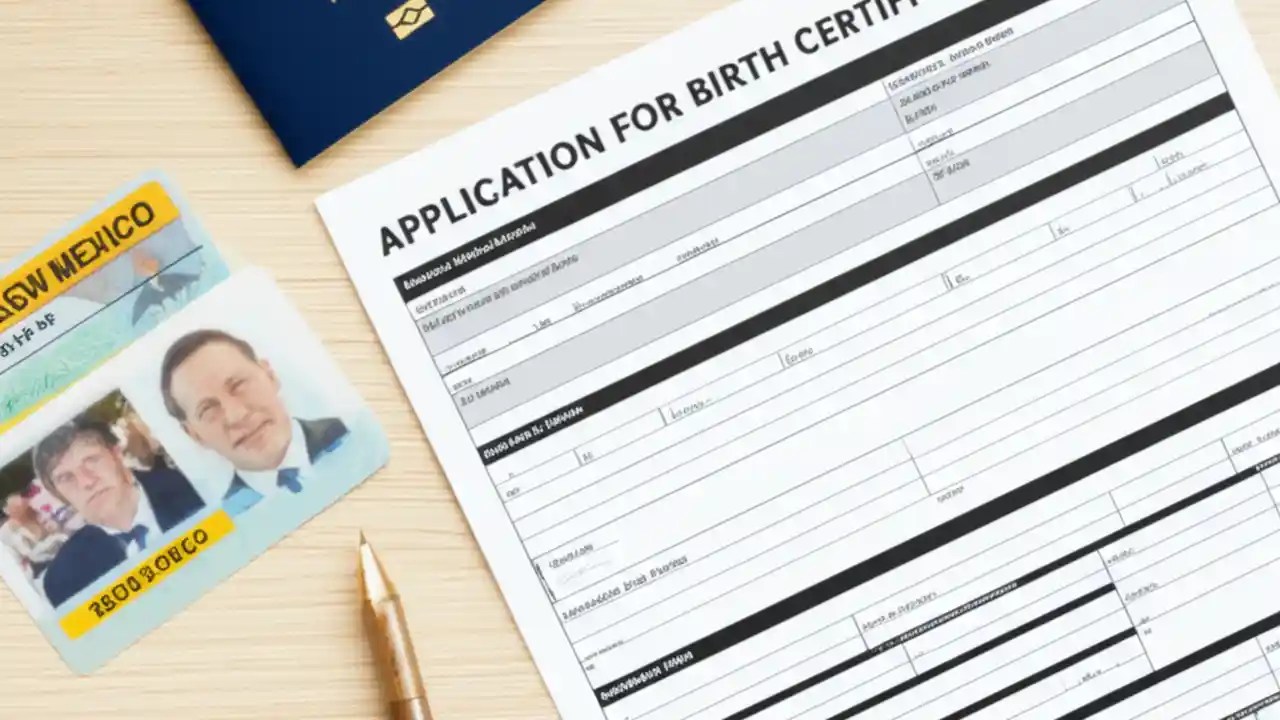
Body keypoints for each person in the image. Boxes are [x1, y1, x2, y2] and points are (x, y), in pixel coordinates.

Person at [160, 329, 351, 517]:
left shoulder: (354, 432)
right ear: (194, 435)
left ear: (270, 375)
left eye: (238, 385)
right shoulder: (229, 523)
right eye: (208, 410)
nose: (236, 415)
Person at [35, 419, 205, 607]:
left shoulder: (196, 489)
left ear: (116, 455)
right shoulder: (65, 579)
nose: (86, 482)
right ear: (59, 496)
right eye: (66, 478)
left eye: (91, 460)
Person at [0, 494, 67, 578]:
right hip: (35, 570)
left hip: (55, 556)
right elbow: (33, 556)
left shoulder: (35, 513)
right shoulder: (10, 533)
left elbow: (56, 529)